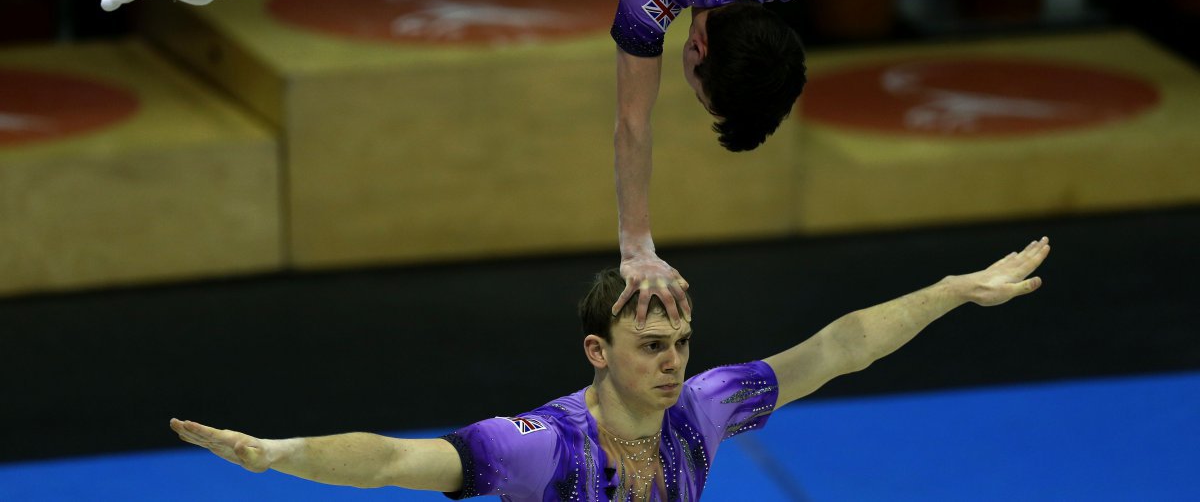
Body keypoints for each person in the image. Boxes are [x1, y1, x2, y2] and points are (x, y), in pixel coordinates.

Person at [100, 0, 874, 325]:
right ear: (699, 47)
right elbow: (632, 122)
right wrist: (635, 245)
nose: (682, 79)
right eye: (694, 86)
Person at [171, 237, 1049, 500]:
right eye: (652, 346)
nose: (674, 362)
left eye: (682, 343)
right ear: (598, 350)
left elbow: (836, 348)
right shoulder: (539, 446)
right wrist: (278, 453)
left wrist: (950, 290)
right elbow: (396, 458)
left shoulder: (704, 407)